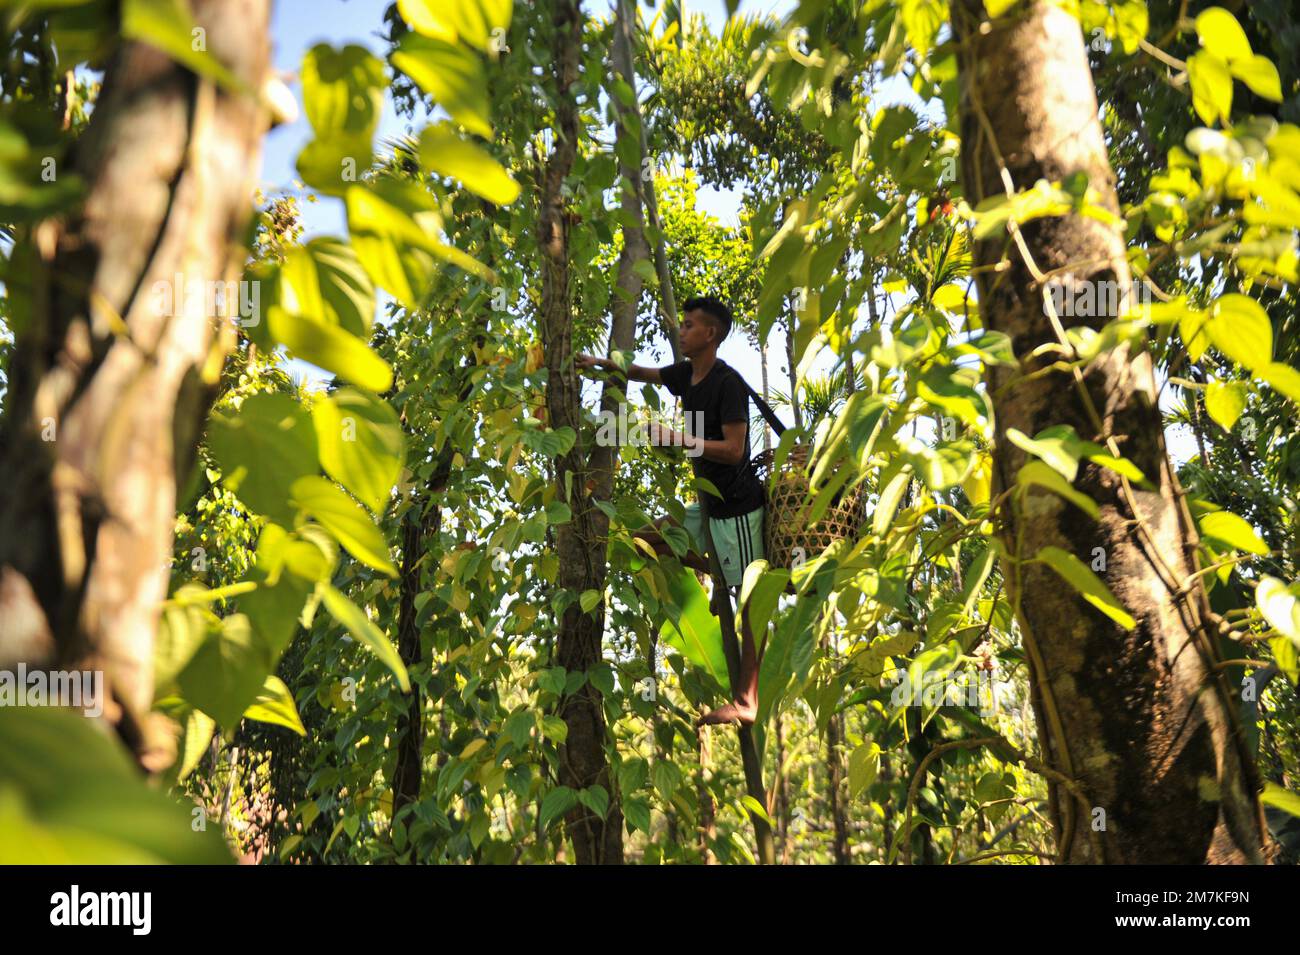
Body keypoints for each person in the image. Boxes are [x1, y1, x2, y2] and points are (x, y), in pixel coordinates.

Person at [576, 295, 766, 726]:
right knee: (646, 539)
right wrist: (597, 362)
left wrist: (680, 439)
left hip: (736, 508)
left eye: (690, 325)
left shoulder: (727, 383)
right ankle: (715, 573)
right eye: (683, 324)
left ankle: (747, 700)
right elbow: (642, 371)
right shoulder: (687, 375)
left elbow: (735, 452)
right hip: (706, 505)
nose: (681, 330)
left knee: (751, 604)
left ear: (711, 334)